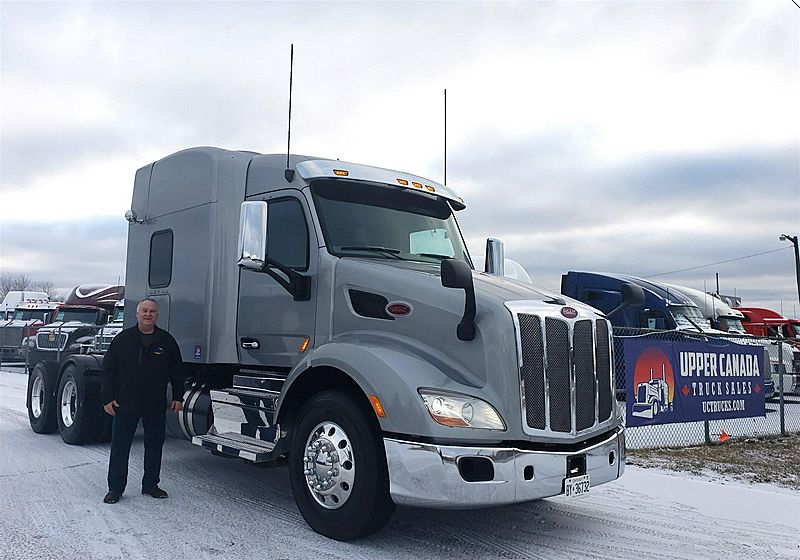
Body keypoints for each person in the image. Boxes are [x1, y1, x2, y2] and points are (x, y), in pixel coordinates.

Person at [101, 298, 184, 504]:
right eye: (144, 310)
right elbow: (108, 371)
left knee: (154, 445)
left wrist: (178, 396)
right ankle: (115, 488)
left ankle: (151, 485)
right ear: (137, 314)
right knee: (120, 447)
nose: (148, 314)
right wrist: (107, 398)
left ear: (157, 316)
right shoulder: (123, 340)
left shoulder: (166, 341)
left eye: (152, 311)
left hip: (154, 404)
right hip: (125, 403)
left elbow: (177, 371)